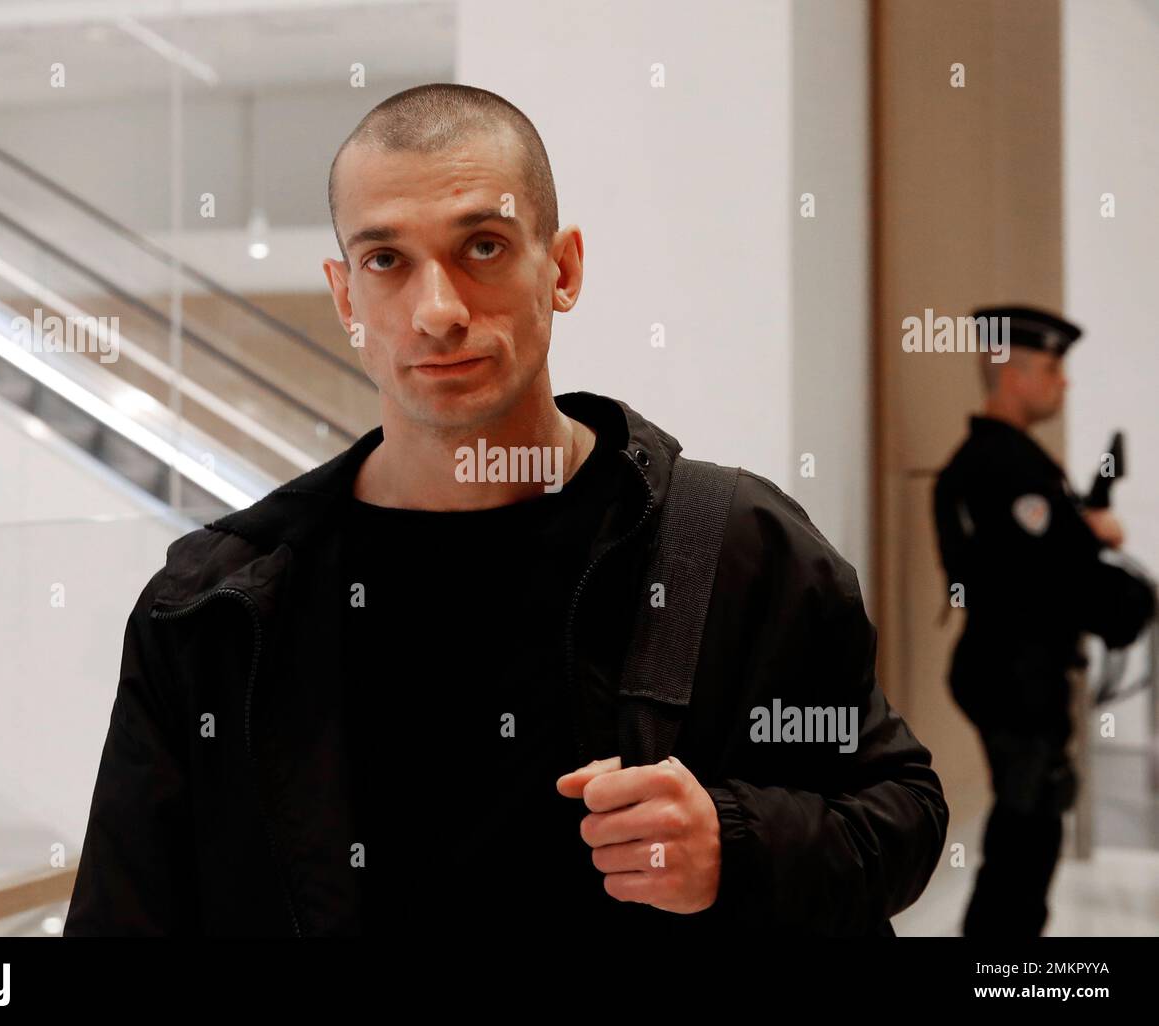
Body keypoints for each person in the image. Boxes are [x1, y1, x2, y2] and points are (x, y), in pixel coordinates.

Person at [64, 83, 947, 937]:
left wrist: (736, 846)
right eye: (387, 262)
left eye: (482, 246)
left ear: (559, 268)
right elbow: (124, 917)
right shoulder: (216, 608)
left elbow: (900, 812)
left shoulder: (732, 548)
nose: (438, 312)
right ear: (346, 299)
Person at [933, 305, 1155, 937]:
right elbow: (1049, 577)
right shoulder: (1002, 467)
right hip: (1014, 671)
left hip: (1012, 666)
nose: (1065, 383)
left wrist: (1082, 526)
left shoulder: (1010, 462)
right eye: (1054, 368)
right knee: (1026, 831)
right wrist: (1124, 591)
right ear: (1013, 373)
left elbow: (1035, 555)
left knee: (1028, 823)